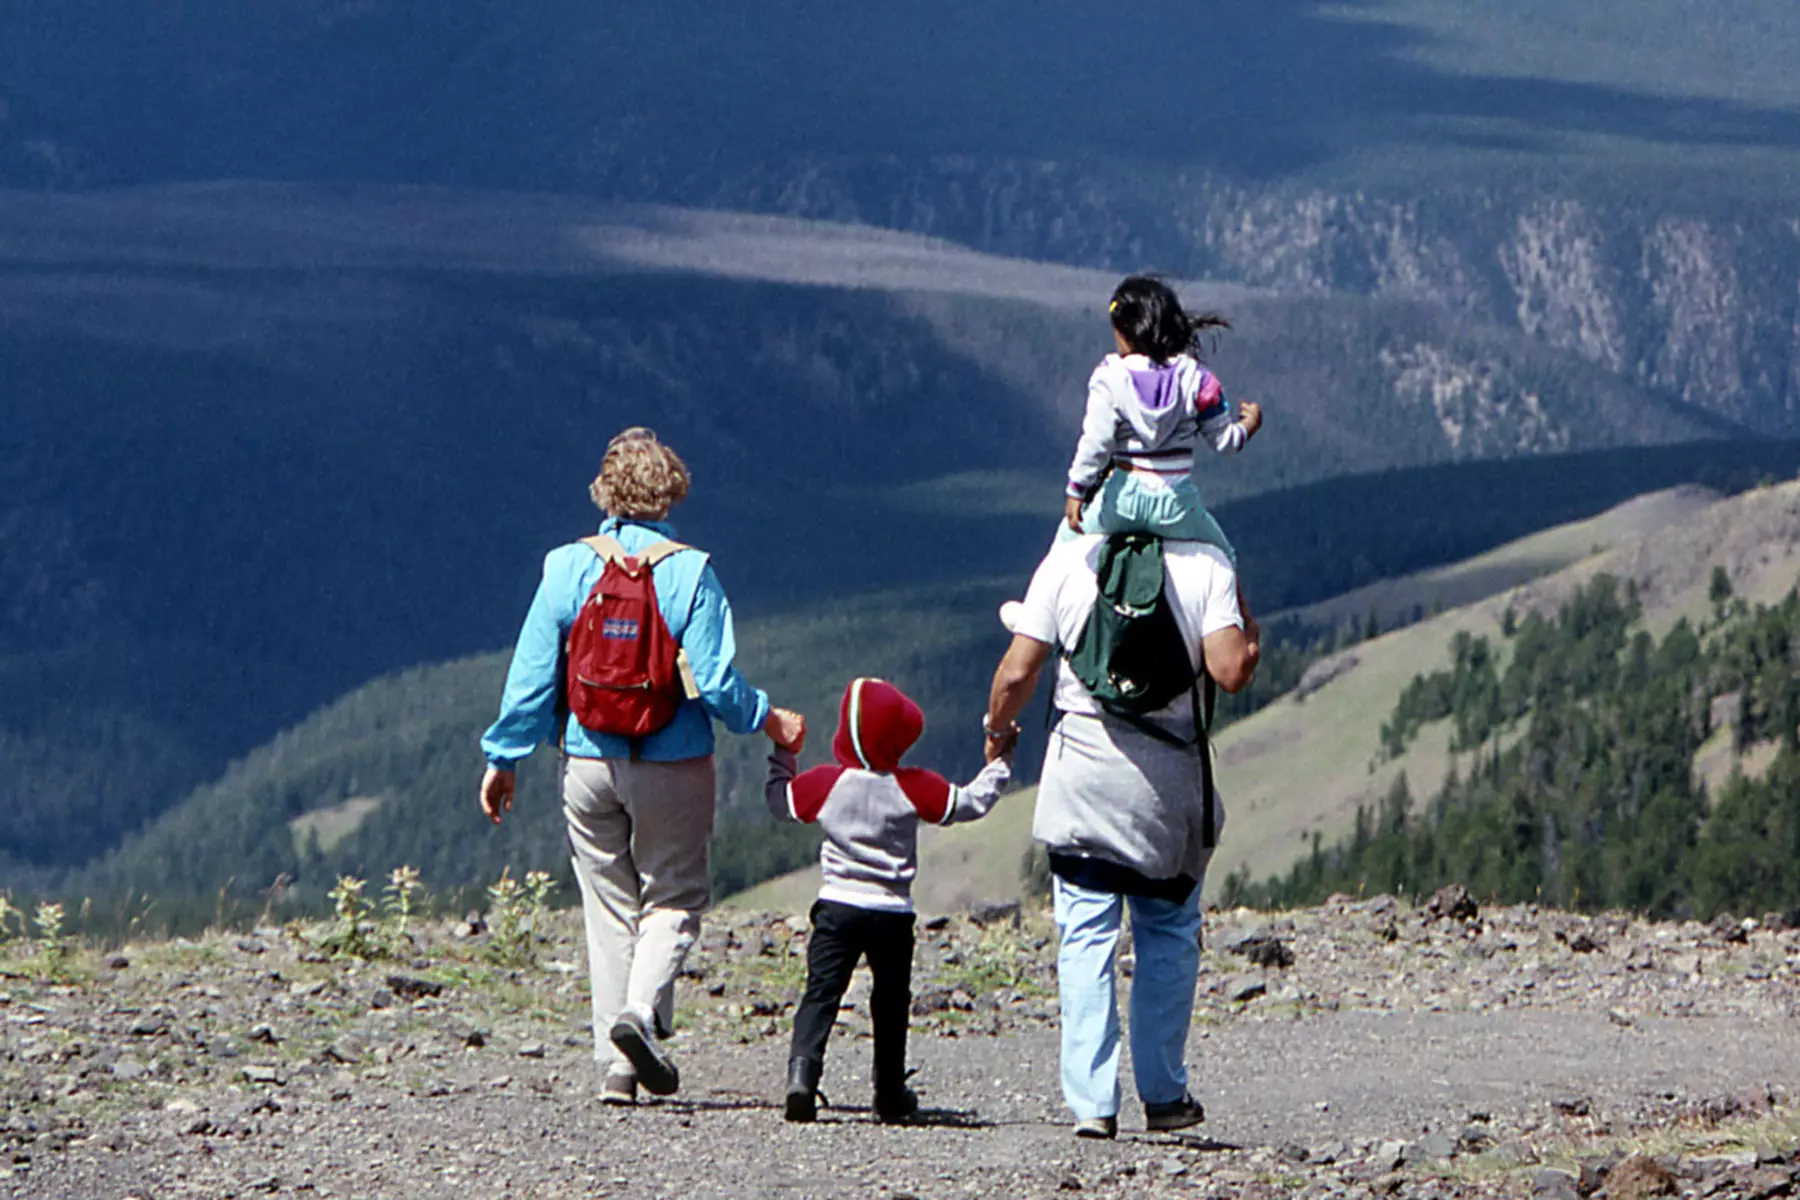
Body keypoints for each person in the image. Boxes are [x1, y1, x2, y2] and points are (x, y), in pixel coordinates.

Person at [478, 427, 806, 1106]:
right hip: (675, 761)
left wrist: (503, 757)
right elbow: (714, 682)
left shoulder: (566, 566)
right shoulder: (691, 571)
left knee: (609, 908)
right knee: (674, 899)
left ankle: (616, 1070)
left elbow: (534, 676)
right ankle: (641, 1016)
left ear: (605, 490)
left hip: (586, 763)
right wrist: (768, 719)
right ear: (670, 493)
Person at [982, 531, 1259, 1139]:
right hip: (1167, 791)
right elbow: (1232, 669)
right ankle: (1163, 1095)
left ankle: (1091, 1103)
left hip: (1082, 781)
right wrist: (1242, 601)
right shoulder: (1205, 561)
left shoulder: (1065, 559)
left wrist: (997, 726)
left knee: (1085, 935)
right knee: (1166, 932)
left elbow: (1018, 671)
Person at [764, 677, 1015, 1124]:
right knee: (892, 1001)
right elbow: (971, 804)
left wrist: (784, 754)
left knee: (821, 993)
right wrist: (1000, 764)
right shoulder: (913, 786)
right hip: (892, 914)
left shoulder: (825, 783)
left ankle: (802, 1077)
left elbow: (780, 802)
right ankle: (889, 1092)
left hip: (837, 907)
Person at [1060, 275, 1263, 559]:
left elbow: (1096, 443)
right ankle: (1239, 606)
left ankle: (1035, 604)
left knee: (1064, 546)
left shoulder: (1109, 376)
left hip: (1122, 501)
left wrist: (1076, 491)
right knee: (1224, 555)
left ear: (1123, 330)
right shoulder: (1198, 379)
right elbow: (1226, 443)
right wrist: (1249, 424)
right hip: (1177, 506)